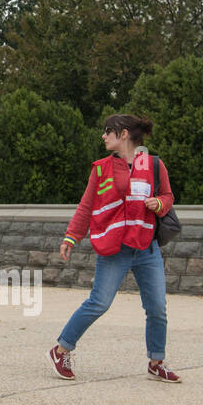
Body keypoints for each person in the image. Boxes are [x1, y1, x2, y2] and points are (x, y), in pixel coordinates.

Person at [48, 114, 179, 383]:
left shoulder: (153, 164)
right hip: (114, 246)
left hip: (146, 246)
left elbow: (167, 196)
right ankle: (61, 350)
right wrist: (71, 237)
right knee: (99, 303)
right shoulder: (100, 168)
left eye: (108, 131)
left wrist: (159, 203)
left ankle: (156, 361)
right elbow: (87, 205)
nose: (103, 136)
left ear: (124, 134)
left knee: (157, 307)